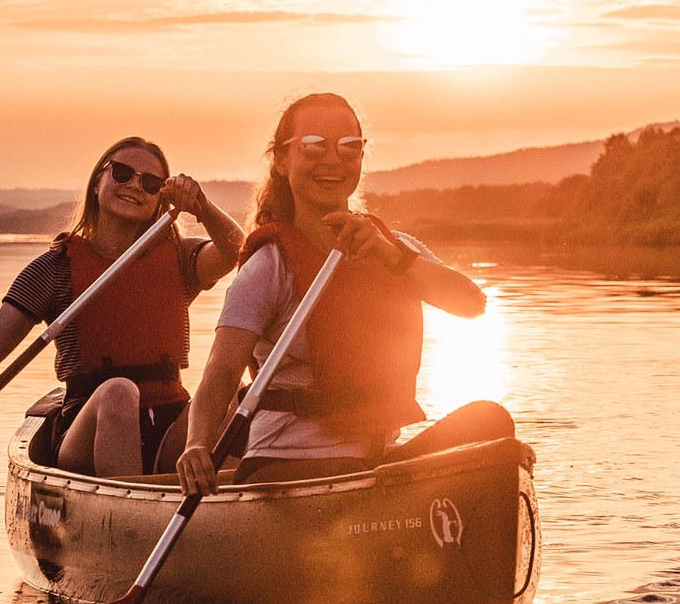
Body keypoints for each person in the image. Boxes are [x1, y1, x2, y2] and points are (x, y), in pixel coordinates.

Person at [176, 93, 513, 495]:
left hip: (375, 463)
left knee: (491, 423)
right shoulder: (269, 266)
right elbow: (220, 372)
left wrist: (393, 257)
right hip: (288, 464)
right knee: (357, 476)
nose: (332, 160)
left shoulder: (394, 247)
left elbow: (473, 304)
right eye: (313, 146)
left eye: (348, 147)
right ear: (282, 162)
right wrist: (197, 444)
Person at [0, 137, 243, 476]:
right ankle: (130, 510)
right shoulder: (56, 268)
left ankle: (226, 504)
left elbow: (237, 249)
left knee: (241, 394)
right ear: (97, 183)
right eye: (122, 173)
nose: (135, 185)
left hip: (170, 428)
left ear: (159, 201)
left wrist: (203, 207)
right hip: (87, 429)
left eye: (150, 183)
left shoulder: (180, 259)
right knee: (118, 392)